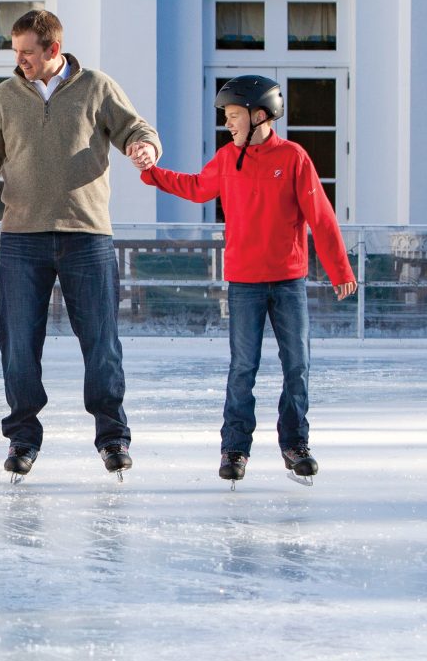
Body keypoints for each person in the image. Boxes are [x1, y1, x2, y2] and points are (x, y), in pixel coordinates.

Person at [0, 9, 161, 479]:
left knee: (101, 342)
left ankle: (113, 437)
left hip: (87, 235)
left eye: (27, 52)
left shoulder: (96, 87)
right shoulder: (6, 96)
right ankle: (23, 437)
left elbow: (135, 129)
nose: (19, 60)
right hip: (23, 236)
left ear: (53, 51)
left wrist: (145, 148)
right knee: (18, 343)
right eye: (16, 52)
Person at [139, 74, 357, 483]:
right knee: (243, 367)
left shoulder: (293, 157)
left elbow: (321, 216)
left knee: (297, 365)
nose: (228, 124)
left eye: (234, 115)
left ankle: (295, 443)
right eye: (227, 116)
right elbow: (196, 188)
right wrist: (153, 174)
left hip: (289, 281)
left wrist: (339, 268)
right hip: (244, 283)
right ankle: (235, 448)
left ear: (261, 115)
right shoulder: (226, 159)